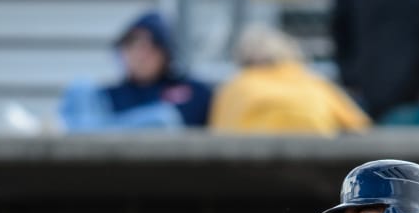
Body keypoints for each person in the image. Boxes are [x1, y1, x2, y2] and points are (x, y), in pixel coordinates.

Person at [58, 11, 212, 131]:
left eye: (150, 45)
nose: (140, 55)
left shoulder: (193, 91)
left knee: (163, 119)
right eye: (131, 44)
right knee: (81, 87)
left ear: (166, 51)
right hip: (106, 163)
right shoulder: (109, 95)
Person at [208, 24, 372, 136]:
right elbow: (358, 124)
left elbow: (219, 131)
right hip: (314, 162)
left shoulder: (235, 85)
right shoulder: (311, 80)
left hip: (248, 170)